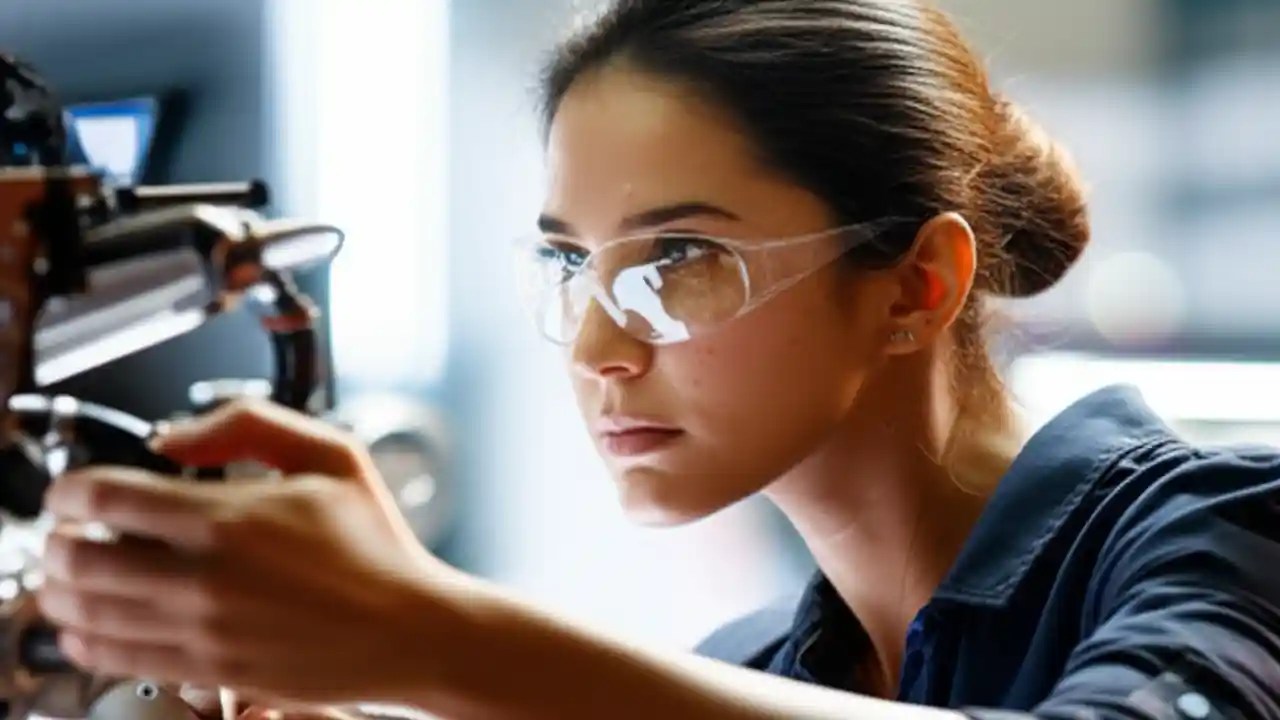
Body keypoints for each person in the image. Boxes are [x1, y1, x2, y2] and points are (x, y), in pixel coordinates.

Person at [33, 1, 1280, 718]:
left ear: (915, 283)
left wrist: (430, 634)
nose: (594, 344)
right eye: (568, 262)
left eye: (676, 256)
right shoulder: (743, 677)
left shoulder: (1225, 535)